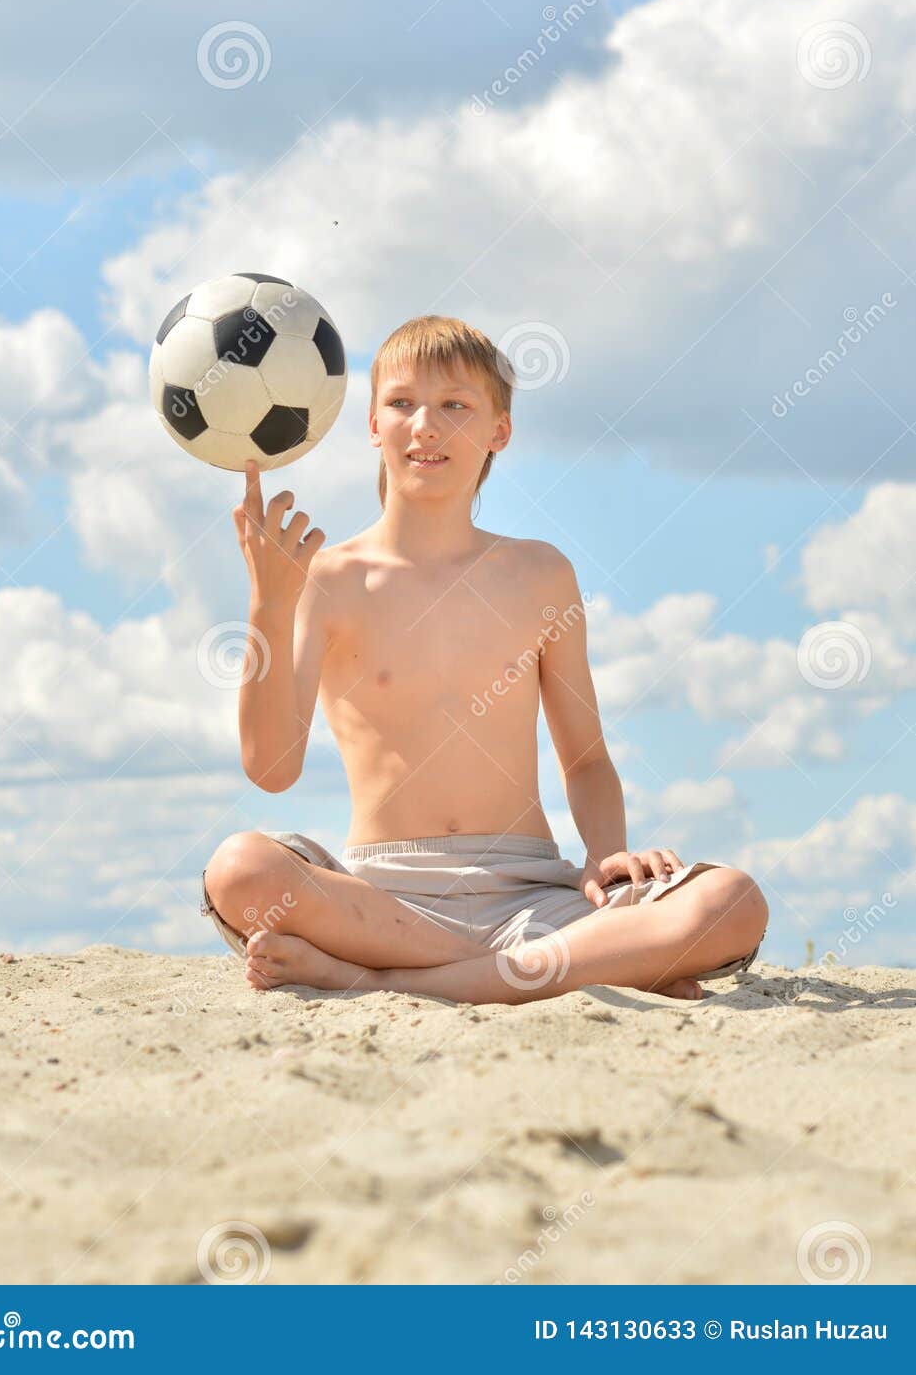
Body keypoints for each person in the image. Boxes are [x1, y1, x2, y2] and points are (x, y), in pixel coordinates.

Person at [202, 314, 768, 1004]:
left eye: (455, 406)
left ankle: (383, 980)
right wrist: (267, 604)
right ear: (373, 424)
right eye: (402, 403)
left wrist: (604, 856)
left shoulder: (539, 574)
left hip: (533, 896)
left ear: (499, 430)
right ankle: (544, 968)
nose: (425, 426)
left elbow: (585, 759)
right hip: (386, 903)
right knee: (239, 869)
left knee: (733, 900)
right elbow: (271, 767)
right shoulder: (327, 579)